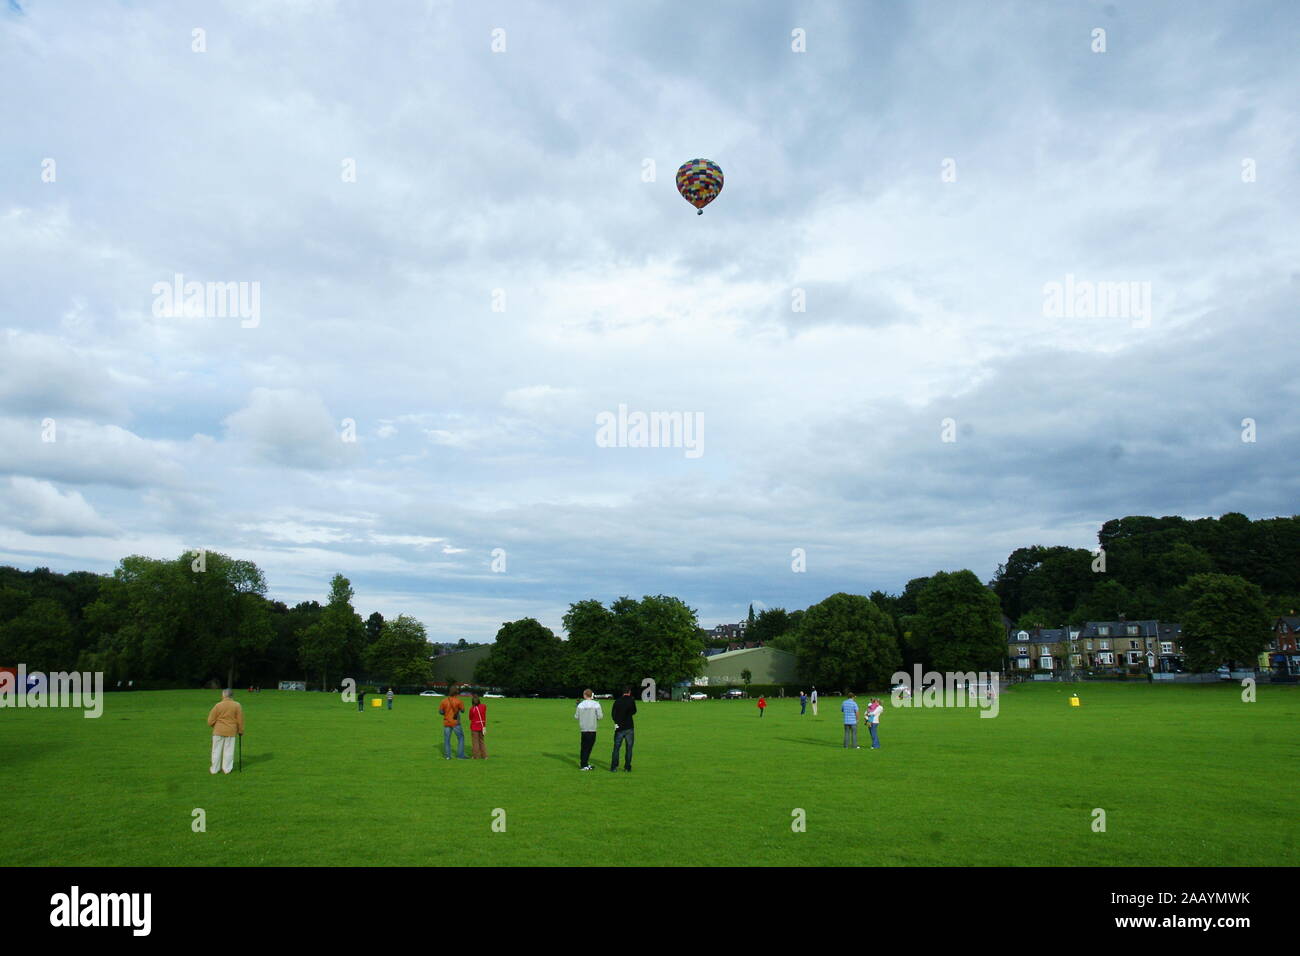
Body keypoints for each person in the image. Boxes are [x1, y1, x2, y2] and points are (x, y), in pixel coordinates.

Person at [207, 689, 244, 774]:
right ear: (232, 696)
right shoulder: (237, 705)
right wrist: (240, 730)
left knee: (216, 751)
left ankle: (214, 769)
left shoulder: (218, 705)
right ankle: (227, 769)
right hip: (231, 731)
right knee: (229, 751)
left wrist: (215, 726)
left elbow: (210, 721)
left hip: (218, 731)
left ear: (223, 695)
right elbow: (240, 720)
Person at [574, 689, 603, 770]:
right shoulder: (596, 704)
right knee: (589, 747)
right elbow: (600, 716)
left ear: (584, 695)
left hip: (583, 729)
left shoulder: (580, 705)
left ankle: (584, 763)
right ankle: (584, 765)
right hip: (592, 728)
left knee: (584, 747)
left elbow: (576, 716)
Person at [610, 687, 636, 772]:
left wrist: (617, 721)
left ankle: (614, 767)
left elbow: (613, 714)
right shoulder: (631, 701)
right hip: (629, 727)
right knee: (629, 748)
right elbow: (634, 711)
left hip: (619, 727)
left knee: (616, 748)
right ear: (629, 692)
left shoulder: (617, 701)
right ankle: (627, 767)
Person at [439, 687, 469, 759]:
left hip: (447, 722)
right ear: (457, 693)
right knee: (461, 738)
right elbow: (463, 711)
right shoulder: (459, 701)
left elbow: (440, 711)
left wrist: (446, 713)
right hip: (456, 722)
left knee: (447, 740)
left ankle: (448, 756)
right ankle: (460, 755)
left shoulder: (444, 701)